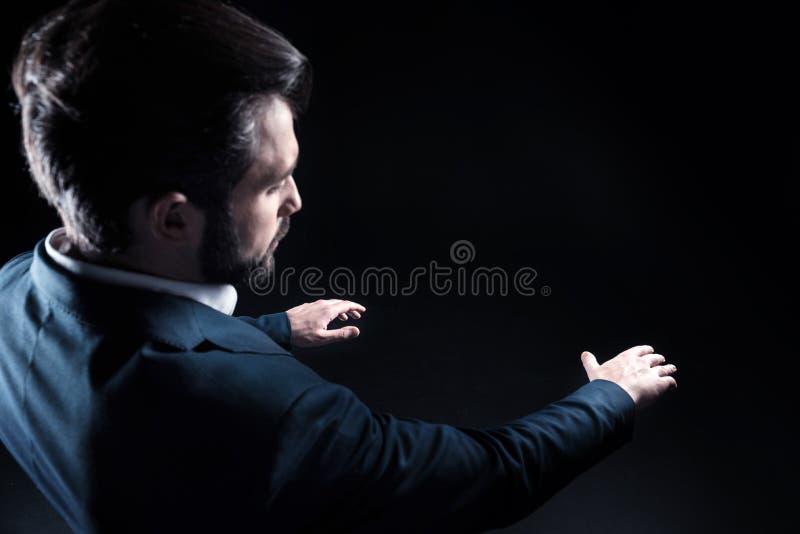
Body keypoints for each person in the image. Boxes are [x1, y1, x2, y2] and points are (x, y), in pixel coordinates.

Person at [0, 0, 678, 532]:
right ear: (173, 219)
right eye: (271, 184)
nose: (297, 200)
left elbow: (122, 350)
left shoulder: (9, 294)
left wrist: (272, 330)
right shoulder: (269, 409)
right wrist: (609, 398)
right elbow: (487, 475)